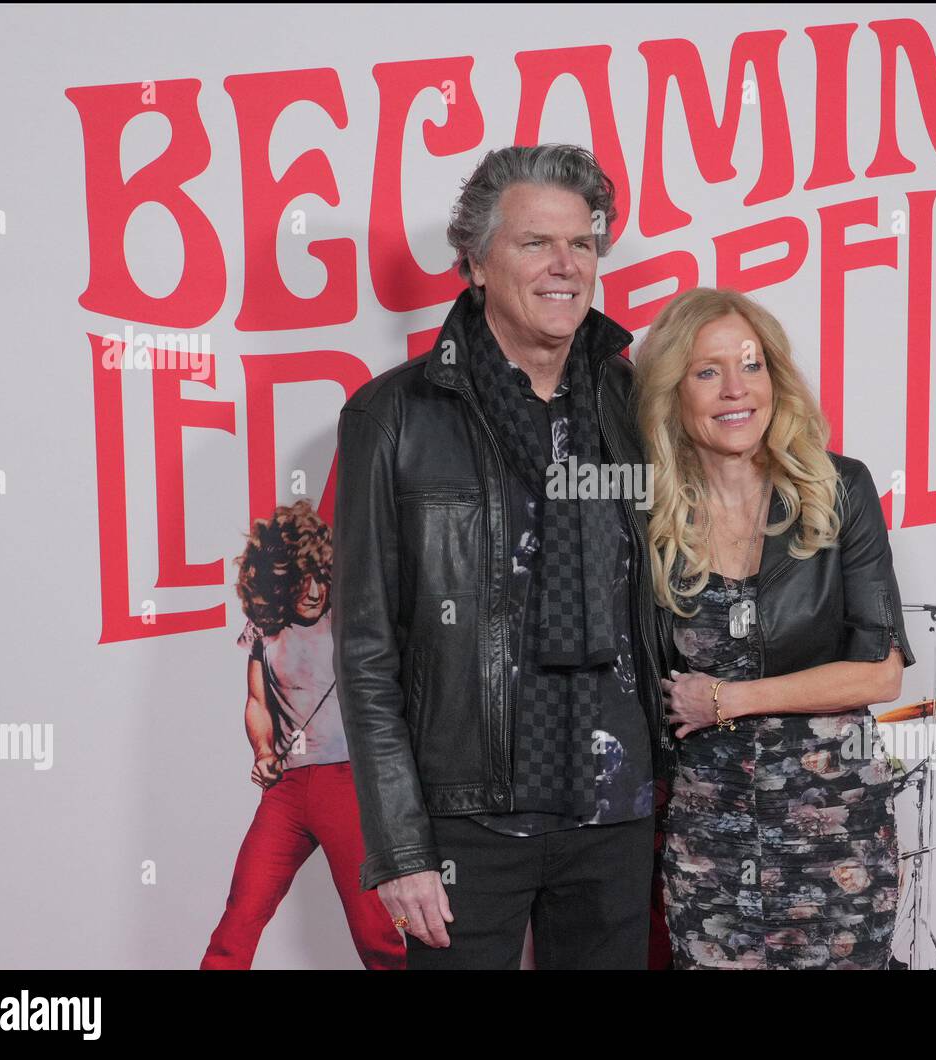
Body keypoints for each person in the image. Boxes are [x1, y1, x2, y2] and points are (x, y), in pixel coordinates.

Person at [330, 144, 672, 970]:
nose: (566, 266)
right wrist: (402, 846)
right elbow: (367, 653)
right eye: (535, 244)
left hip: (615, 811)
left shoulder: (637, 404)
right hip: (466, 821)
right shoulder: (393, 417)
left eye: (583, 244)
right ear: (475, 261)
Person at [634, 287, 917, 970]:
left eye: (752, 365)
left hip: (835, 833)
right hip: (710, 839)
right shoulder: (648, 513)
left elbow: (881, 670)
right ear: (674, 392)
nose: (736, 389)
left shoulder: (839, 489)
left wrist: (730, 700)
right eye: (708, 371)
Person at [201, 500, 405, 969]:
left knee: (379, 935)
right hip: (288, 791)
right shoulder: (264, 628)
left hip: (347, 785)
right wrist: (261, 750)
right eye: (300, 578)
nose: (313, 591)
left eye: (321, 576)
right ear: (278, 579)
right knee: (239, 919)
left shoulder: (349, 617)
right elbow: (256, 702)